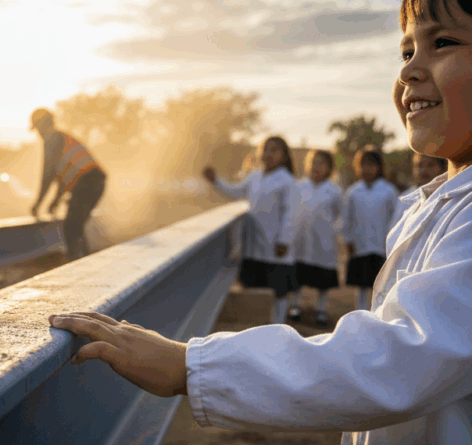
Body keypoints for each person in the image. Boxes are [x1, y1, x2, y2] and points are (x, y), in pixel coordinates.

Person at [48, 0, 472, 443]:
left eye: (442, 42)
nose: (408, 72)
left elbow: (400, 358)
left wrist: (189, 366)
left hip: (291, 246)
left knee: (289, 286)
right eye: (406, 53)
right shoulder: (432, 202)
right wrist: (216, 182)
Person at [203, 136, 300, 324]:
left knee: (278, 290)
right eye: (265, 149)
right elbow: (235, 192)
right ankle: (257, 326)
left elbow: (291, 213)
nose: (268, 154)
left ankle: (277, 327)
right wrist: (216, 181)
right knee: (254, 287)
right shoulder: (254, 176)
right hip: (254, 243)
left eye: (274, 150)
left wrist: (284, 240)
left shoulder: (288, 181)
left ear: (284, 156)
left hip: (277, 245)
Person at [29, 108, 106, 261]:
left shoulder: (52, 139)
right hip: (94, 181)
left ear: (42, 125)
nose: (37, 133)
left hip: (88, 181)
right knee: (76, 224)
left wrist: (37, 204)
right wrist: (55, 201)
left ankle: (77, 263)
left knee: (72, 225)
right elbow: (63, 179)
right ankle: (83, 260)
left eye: (37, 128)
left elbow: (48, 175)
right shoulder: (62, 139)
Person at [288, 150, 342, 326]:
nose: (315, 167)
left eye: (321, 163)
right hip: (301, 239)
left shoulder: (334, 190)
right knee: (298, 275)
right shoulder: (298, 186)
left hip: (324, 240)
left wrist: (335, 231)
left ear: (329, 168)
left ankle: (321, 310)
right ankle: (295, 307)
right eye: (313, 162)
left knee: (323, 280)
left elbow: (342, 215)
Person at [342, 150, 398, 311]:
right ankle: (360, 314)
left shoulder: (389, 191)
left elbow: (395, 219)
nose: (366, 169)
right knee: (361, 285)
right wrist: (348, 240)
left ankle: (378, 315)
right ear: (357, 167)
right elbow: (347, 219)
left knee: (381, 285)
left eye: (371, 165)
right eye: (363, 164)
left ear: (379, 167)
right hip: (359, 245)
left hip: (382, 247)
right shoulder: (353, 192)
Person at [392, 152, 448, 225]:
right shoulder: (406, 198)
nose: (424, 170)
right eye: (419, 165)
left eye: (430, 165)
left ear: (442, 168)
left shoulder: (447, 195)